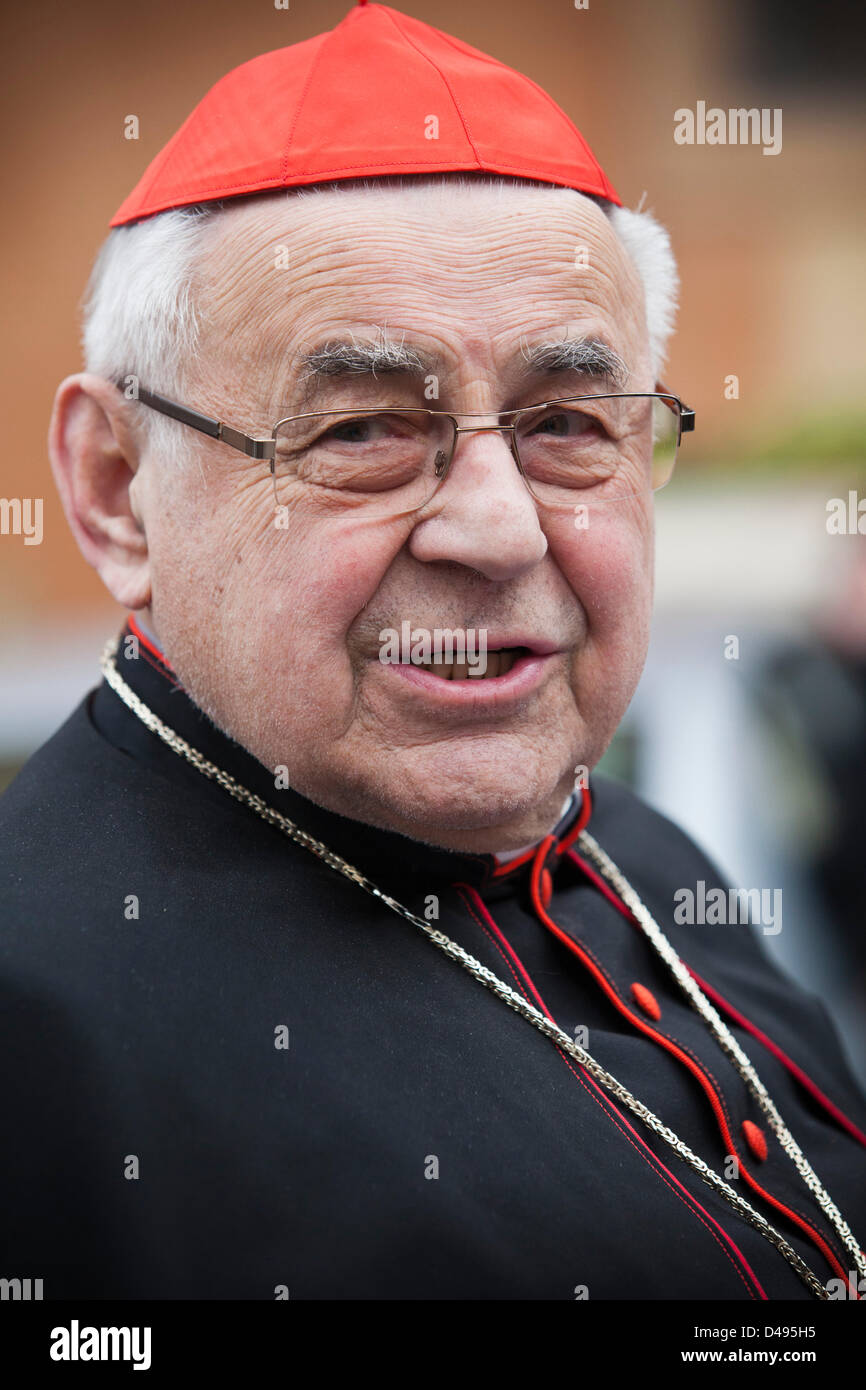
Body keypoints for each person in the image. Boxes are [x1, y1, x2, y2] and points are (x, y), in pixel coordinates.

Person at [1, 1, 864, 1301]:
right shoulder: (30, 1032)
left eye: (568, 420)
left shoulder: (634, 848)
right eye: (360, 432)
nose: (497, 528)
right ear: (120, 488)